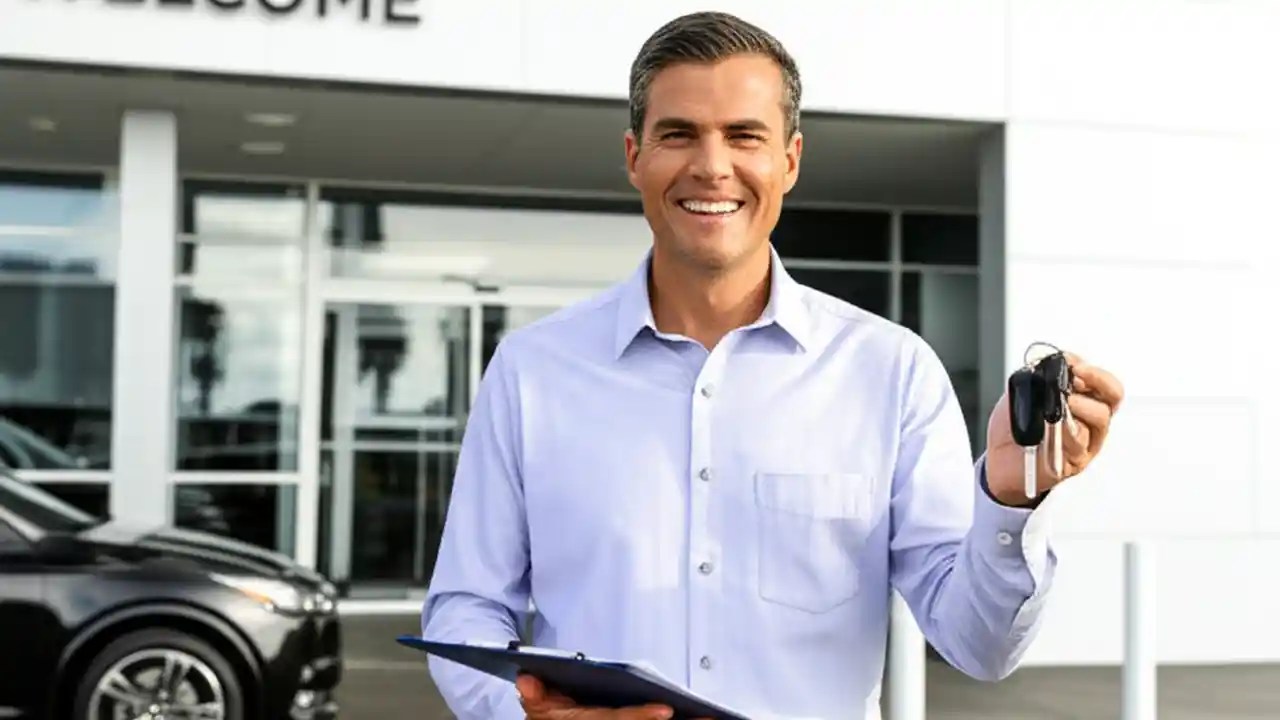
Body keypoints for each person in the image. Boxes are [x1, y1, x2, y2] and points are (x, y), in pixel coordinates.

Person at [421, 10, 1125, 720]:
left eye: (743, 136)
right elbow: (466, 607)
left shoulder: (891, 372)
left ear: (789, 159)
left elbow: (980, 646)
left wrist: (1009, 501)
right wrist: (517, 713)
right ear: (634, 155)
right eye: (679, 134)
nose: (711, 165)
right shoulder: (532, 371)